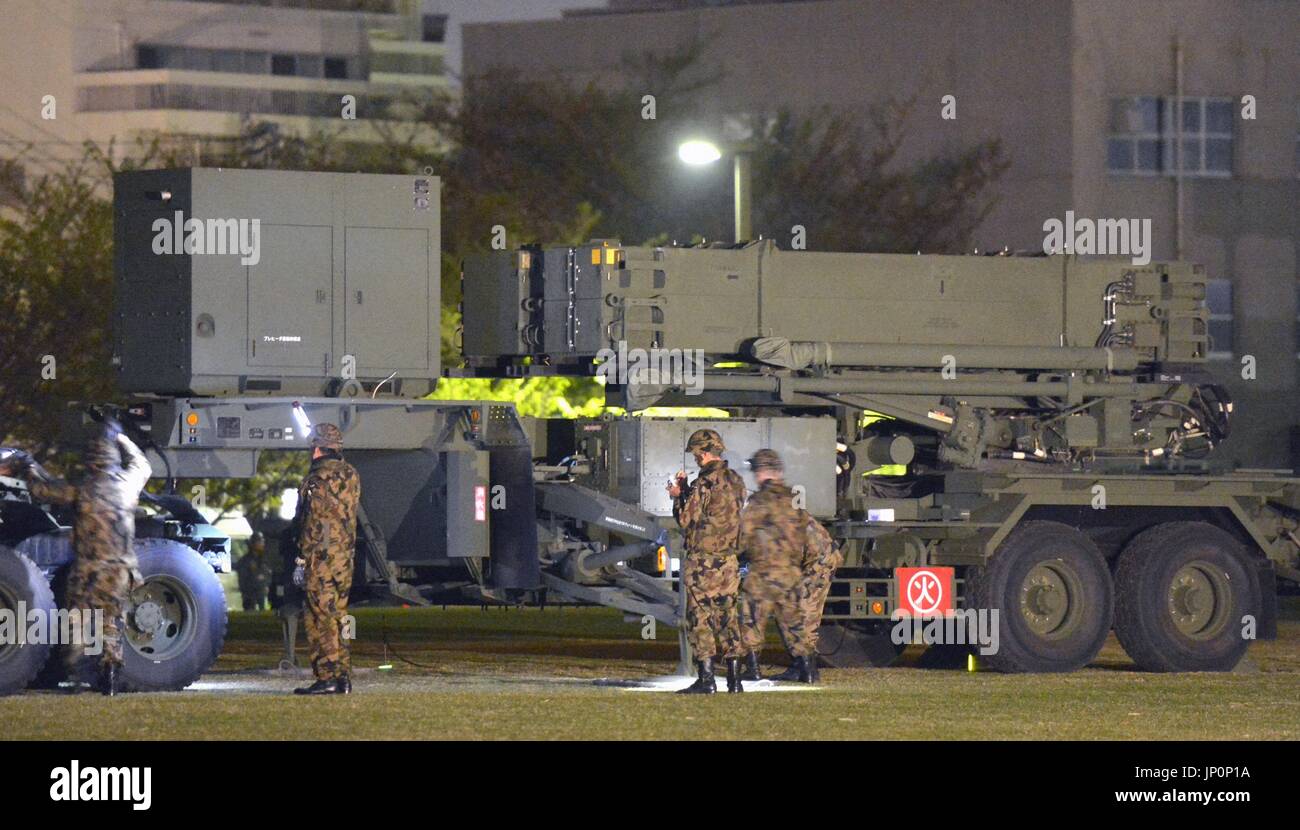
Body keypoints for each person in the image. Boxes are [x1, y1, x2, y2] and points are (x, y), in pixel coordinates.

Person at [0, 421, 151, 695]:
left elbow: (42, 491)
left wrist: (29, 465)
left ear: (92, 462)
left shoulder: (83, 489)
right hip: (122, 571)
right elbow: (143, 464)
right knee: (109, 621)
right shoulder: (129, 485)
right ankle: (110, 673)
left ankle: (76, 669)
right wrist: (122, 438)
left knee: (76, 619)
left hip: (89, 570)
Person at [667, 428, 748, 694]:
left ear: (703, 454)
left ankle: (707, 679)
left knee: (700, 619)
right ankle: (735, 681)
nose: (695, 460)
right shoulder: (736, 480)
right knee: (728, 618)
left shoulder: (704, 483)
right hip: (729, 562)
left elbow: (685, 520)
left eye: (695, 455)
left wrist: (679, 494)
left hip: (703, 563)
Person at [292, 423, 361, 696]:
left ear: (317, 447)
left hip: (320, 559)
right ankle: (343, 675)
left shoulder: (315, 479)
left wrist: (300, 560)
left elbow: (311, 524)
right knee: (339, 616)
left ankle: (327, 676)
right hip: (345, 558)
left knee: (319, 618)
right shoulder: (352, 475)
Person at [736, 449, 813, 683]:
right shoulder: (794, 498)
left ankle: (753, 669)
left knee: (751, 621)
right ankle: (807, 671)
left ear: (760, 473)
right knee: (795, 624)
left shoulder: (760, 500)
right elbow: (803, 534)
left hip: (764, 572)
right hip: (791, 571)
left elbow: (744, 534)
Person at [770, 512, 844, 684]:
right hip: (822, 557)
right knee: (805, 613)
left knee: (797, 612)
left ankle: (806, 669)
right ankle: (804, 667)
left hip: (818, 562)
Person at [234, 531, 271, 611]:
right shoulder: (245, 561)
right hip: (250, 597)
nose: (263, 544)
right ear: (254, 543)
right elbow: (243, 580)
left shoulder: (263, 560)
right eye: (260, 542)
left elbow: (267, 575)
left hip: (261, 596)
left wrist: (265, 584)